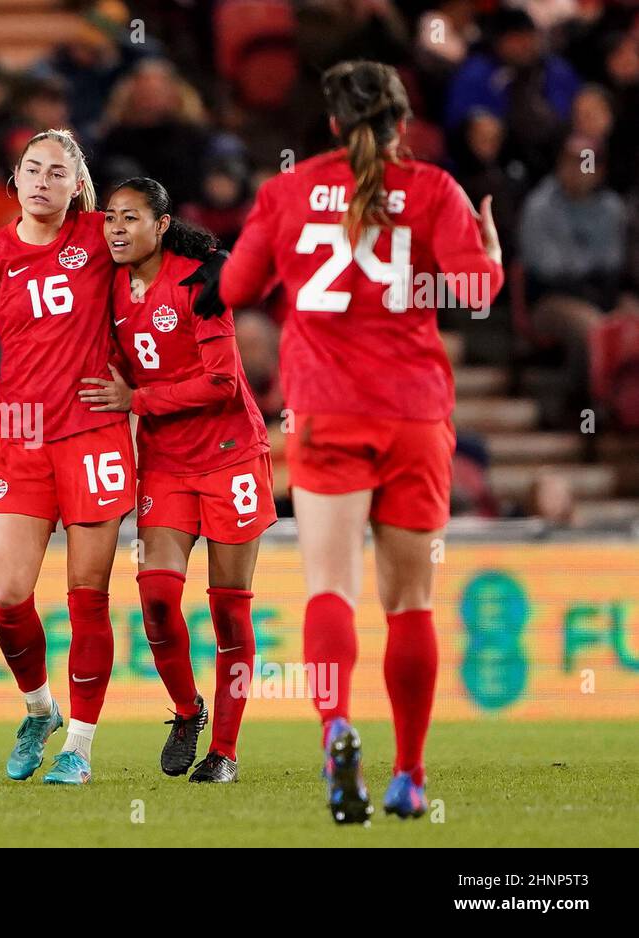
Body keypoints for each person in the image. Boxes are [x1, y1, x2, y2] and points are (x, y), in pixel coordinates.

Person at [221, 61, 503, 823]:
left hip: (326, 410)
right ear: (403, 123)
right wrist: (494, 257)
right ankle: (409, 774)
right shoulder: (436, 189)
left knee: (330, 590)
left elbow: (234, 289)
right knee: (410, 603)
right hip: (413, 413)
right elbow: (475, 291)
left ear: (335, 124)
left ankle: (336, 727)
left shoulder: (285, 190)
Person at [0, 128, 132, 785]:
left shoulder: (104, 235)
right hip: (18, 438)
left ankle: (80, 744)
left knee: (87, 596)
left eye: (58, 171)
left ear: (77, 184)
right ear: (14, 182)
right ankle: (38, 708)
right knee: (10, 596)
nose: (43, 180)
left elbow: (173, 267)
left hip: (93, 436)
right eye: (33, 170)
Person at [80, 177, 273, 783]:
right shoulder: (106, 285)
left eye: (130, 218)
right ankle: (189, 711)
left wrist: (136, 399)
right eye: (109, 217)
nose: (115, 228)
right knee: (157, 601)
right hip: (164, 463)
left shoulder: (202, 280)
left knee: (229, 615)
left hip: (231, 455)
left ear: (161, 226)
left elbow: (220, 381)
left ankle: (226, 753)